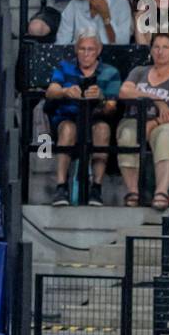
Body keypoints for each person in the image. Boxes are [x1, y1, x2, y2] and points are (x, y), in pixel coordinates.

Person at [116, 31, 169, 209]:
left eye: (165, 47)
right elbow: (124, 91)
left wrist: (155, 123)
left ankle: (161, 192)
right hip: (135, 120)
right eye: (156, 47)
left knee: (164, 136)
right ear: (151, 50)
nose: (160, 51)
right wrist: (155, 99)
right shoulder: (139, 72)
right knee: (128, 134)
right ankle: (133, 191)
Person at [44, 32, 122, 205]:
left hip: (96, 118)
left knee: (103, 130)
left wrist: (101, 97)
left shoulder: (110, 72)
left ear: (99, 51)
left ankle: (97, 188)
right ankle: (61, 187)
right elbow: (51, 91)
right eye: (82, 49)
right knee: (68, 129)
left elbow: (111, 108)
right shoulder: (64, 67)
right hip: (68, 117)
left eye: (91, 50)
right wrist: (65, 91)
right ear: (76, 50)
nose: (86, 54)